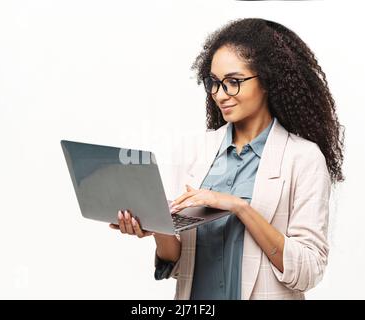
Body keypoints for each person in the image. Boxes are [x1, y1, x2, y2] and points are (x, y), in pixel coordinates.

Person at [109, 18, 344, 300]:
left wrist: (239, 208)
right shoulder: (194, 151)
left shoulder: (302, 158)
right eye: (214, 83)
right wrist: (157, 226)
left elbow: (308, 270)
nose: (220, 94)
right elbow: (180, 263)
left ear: (267, 80)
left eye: (233, 82)